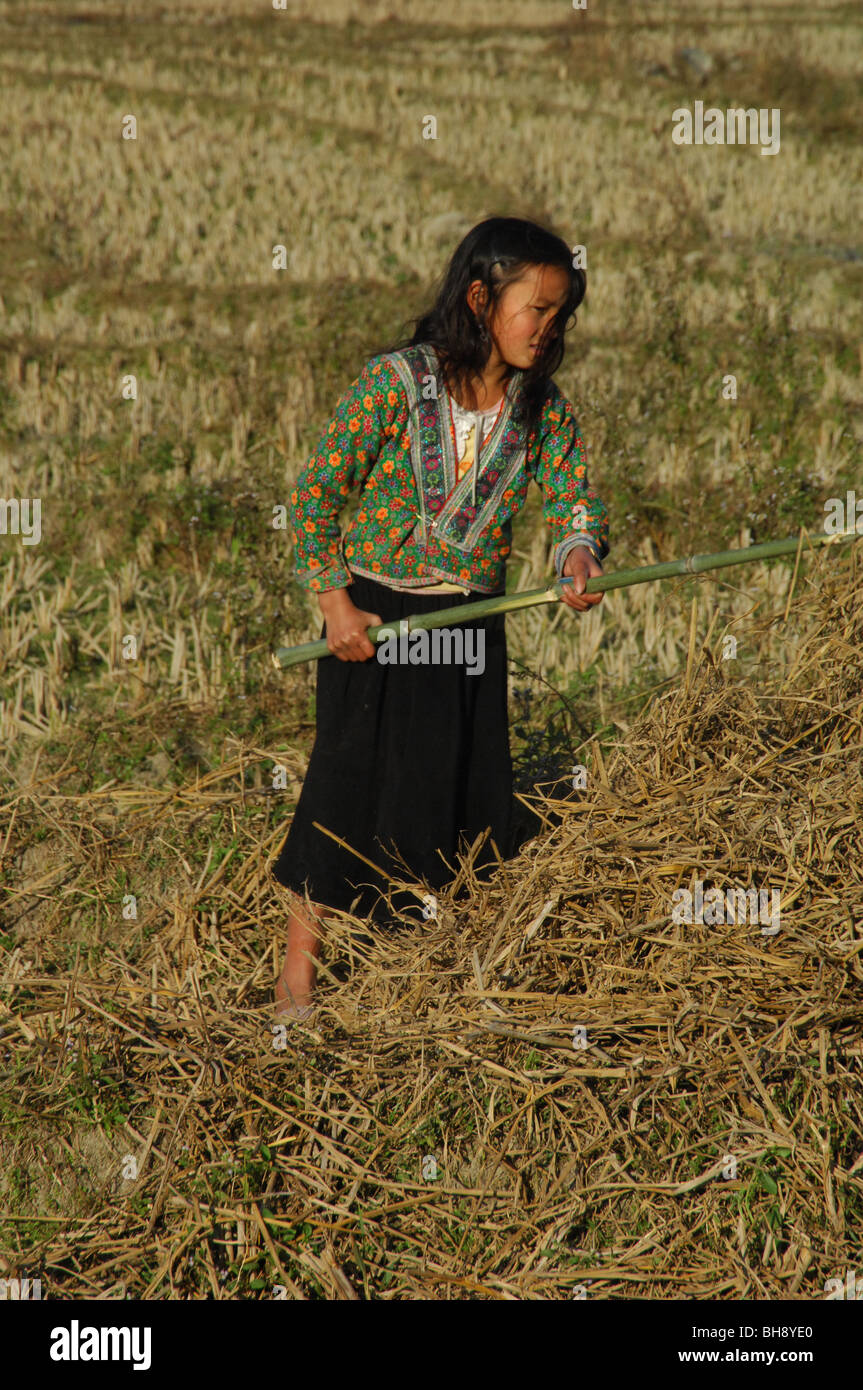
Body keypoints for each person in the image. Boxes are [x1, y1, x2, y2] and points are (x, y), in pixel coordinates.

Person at [271, 216, 609, 1021]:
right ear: (480, 298)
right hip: (375, 620)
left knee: (454, 786)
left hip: (469, 623)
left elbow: (575, 498)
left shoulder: (540, 410)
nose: (548, 327)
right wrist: (333, 602)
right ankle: (295, 982)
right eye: (536, 309)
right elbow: (315, 492)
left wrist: (577, 556)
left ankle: (428, 980)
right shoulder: (396, 383)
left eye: (560, 313)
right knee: (344, 781)